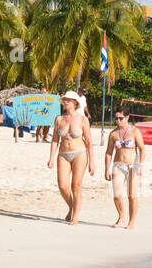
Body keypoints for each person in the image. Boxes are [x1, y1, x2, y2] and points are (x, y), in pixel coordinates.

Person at [47, 90, 95, 225]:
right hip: (63, 154)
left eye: (68, 100)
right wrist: (51, 157)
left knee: (76, 185)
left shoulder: (82, 119)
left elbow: (89, 141)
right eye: (64, 100)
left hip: (79, 153)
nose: (65, 102)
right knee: (62, 185)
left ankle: (75, 216)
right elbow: (55, 140)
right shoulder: (59, 119)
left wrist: (92, 162)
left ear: (75, 103)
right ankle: (72, 207)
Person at [104, 111, 145, 229]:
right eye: (116, 118)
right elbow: (108, 152)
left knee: (132, 195)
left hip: (133, 164)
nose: (118, 120)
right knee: (117, 195)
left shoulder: (134, 131)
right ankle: (121, 216)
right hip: (118, 165)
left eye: (121, 118)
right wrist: (107, 169)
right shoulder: (113, 134)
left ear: (127, 117)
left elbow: (142, 148)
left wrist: (141, 164)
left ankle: (131, 221)